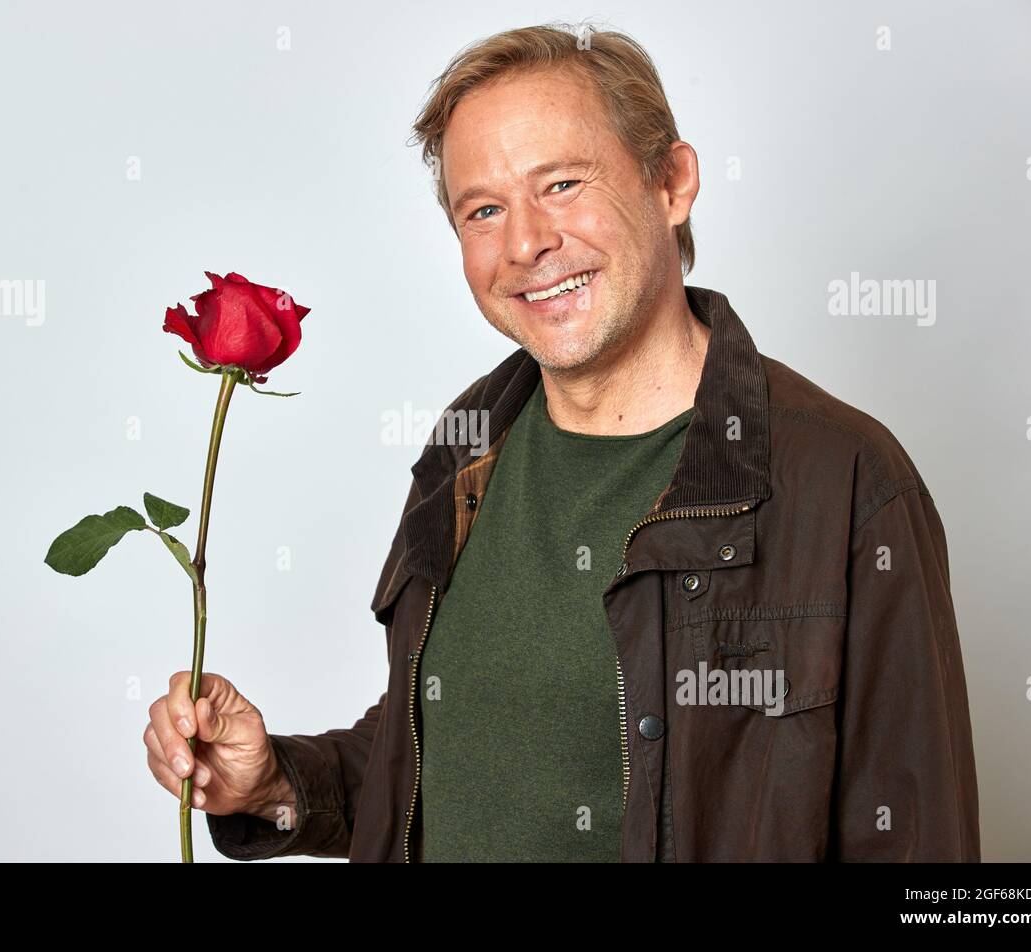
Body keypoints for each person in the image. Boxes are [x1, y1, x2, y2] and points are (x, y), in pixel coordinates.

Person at [143, 22, 980, 862]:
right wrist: (277, 786)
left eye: (563, 184)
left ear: (672, 182)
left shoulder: (845, 480)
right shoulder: (465, 448)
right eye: (484, 210)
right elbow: (448, 757)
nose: (525, 244)